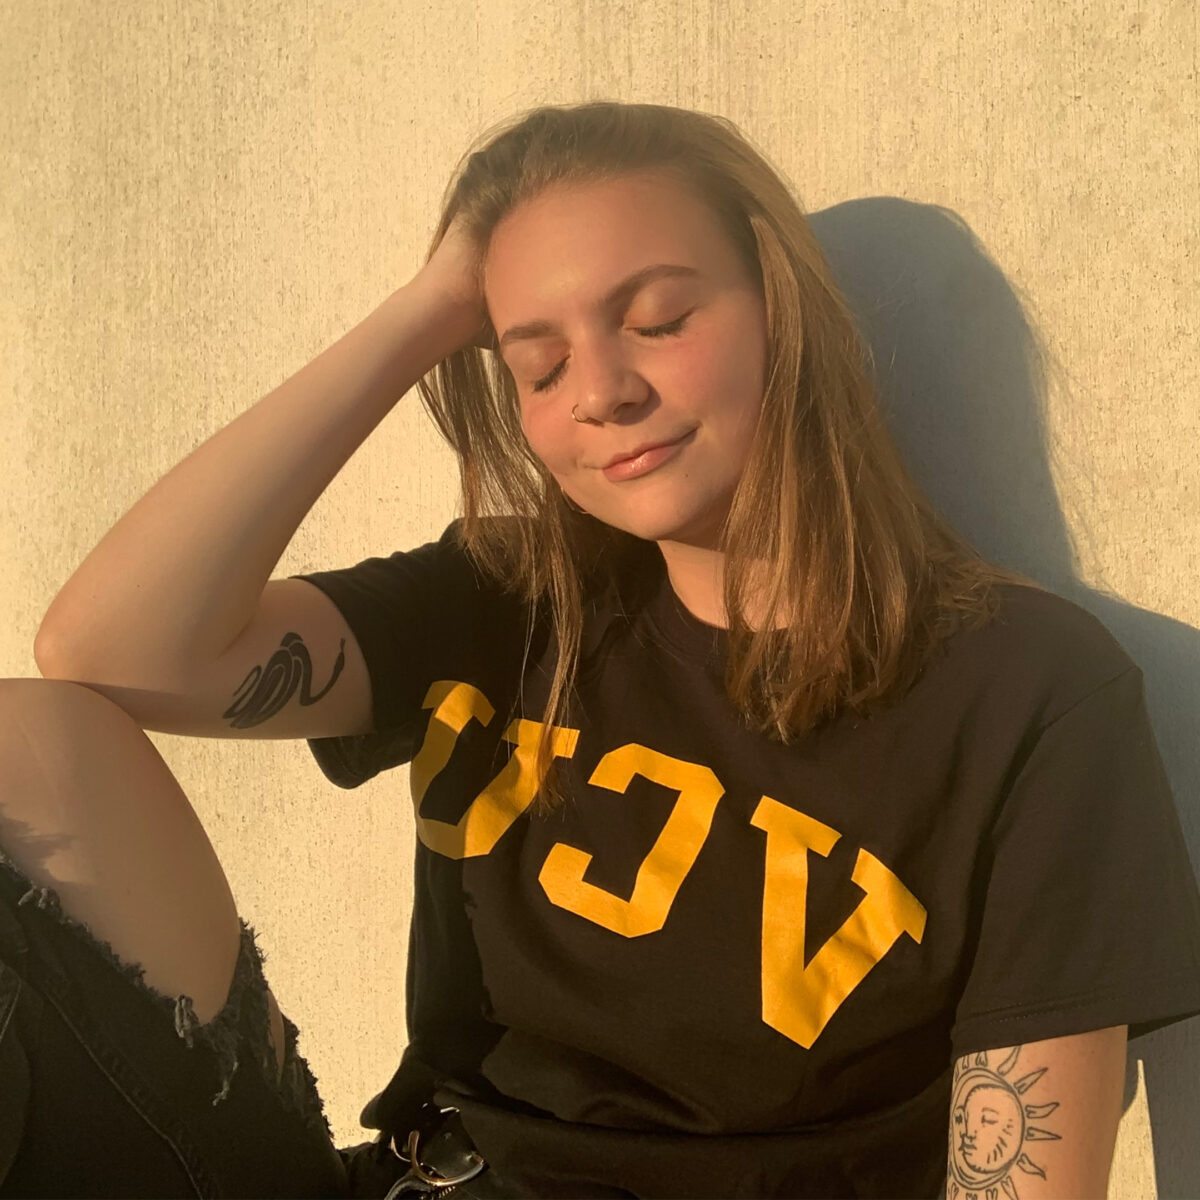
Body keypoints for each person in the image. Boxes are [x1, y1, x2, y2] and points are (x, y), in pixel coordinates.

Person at [5, 99, 1200, 1198]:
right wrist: (427, 312)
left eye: (658, 320)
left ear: (783, 308)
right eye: (539, 363)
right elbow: (108, 654)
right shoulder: (511, 595)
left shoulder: (1028, 694)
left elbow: (1024, 1174)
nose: (601, 392)